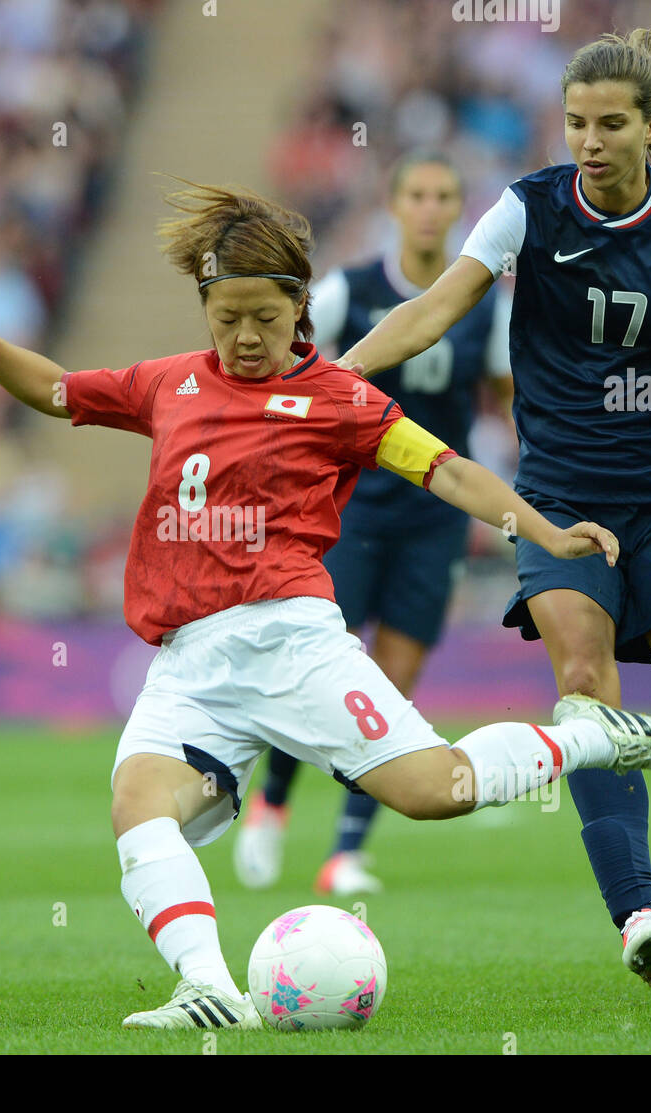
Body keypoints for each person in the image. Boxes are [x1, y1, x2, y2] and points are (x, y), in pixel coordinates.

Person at [0, 178, 651, 1029]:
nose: (245, 337)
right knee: (137, 804)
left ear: (300, 309)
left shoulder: (338, 399)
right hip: (190, 667)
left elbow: (449, 470)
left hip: (291, 644)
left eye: (265, 320)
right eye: (227, 317)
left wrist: (545, 531)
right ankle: (210, 987)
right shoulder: (168, 385)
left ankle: (589, 736)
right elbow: (58, 393)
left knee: (437, 790)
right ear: (206, 305)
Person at [336, 18, 651, 1010]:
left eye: (606, 125)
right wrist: (337, 374)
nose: (587, 142)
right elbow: (437, 305)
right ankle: (639, 915)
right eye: (573, 124)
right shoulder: (527, 209)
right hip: (558, 502)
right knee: (584, 693)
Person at [233, 152, 513, 897]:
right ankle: (273, 803)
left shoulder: (482, 301)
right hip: (348, 509)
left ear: (459, 208)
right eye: (416, 193)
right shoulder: (347, 292)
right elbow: (291, 369)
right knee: (320, 665)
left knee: (395, 679)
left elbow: (510, 395)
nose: (430, 206)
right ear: (394, 204)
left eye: (444, 194)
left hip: (436, 516)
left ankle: (346, 851)